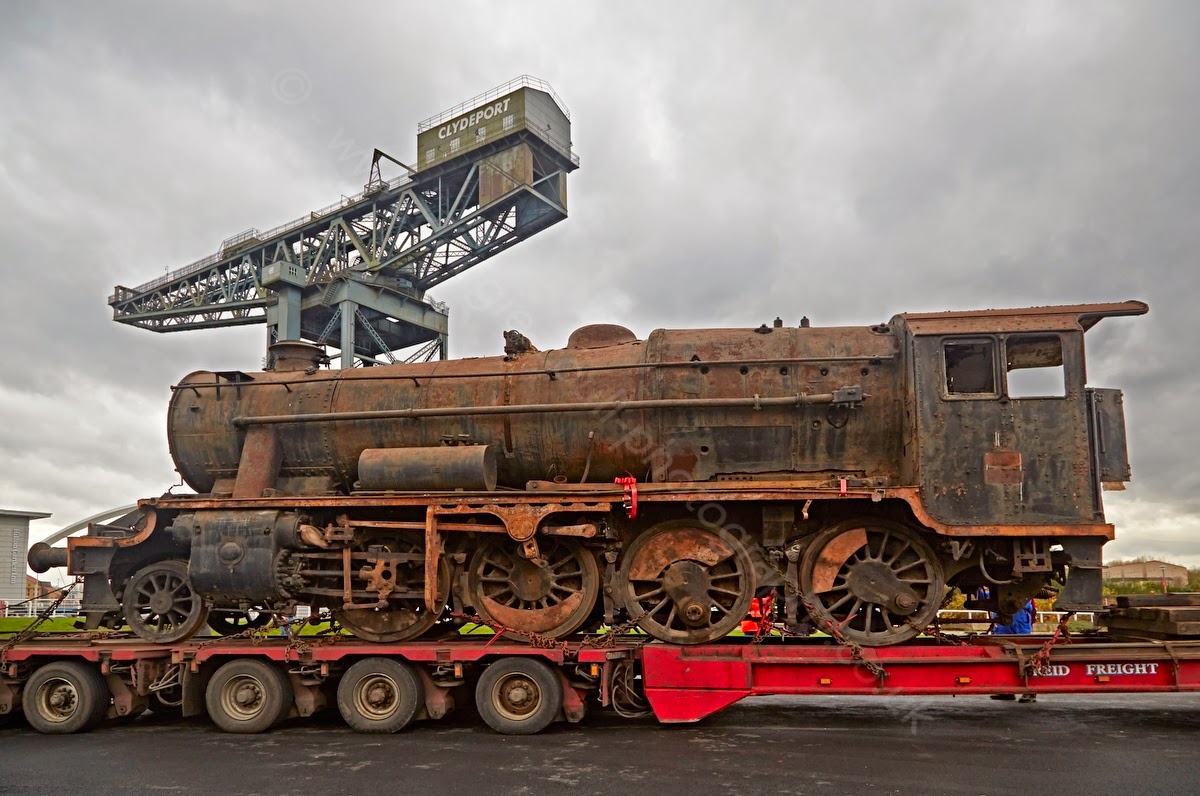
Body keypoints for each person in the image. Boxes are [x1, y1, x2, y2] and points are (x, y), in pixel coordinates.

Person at [991, 599, 1038, 703]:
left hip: (1017, 618)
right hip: (1003, 622)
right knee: (1004, 657)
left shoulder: (1021, 590)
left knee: (1025, 656)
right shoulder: (996, 592)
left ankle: (1030, 691)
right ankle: (1007, 690)